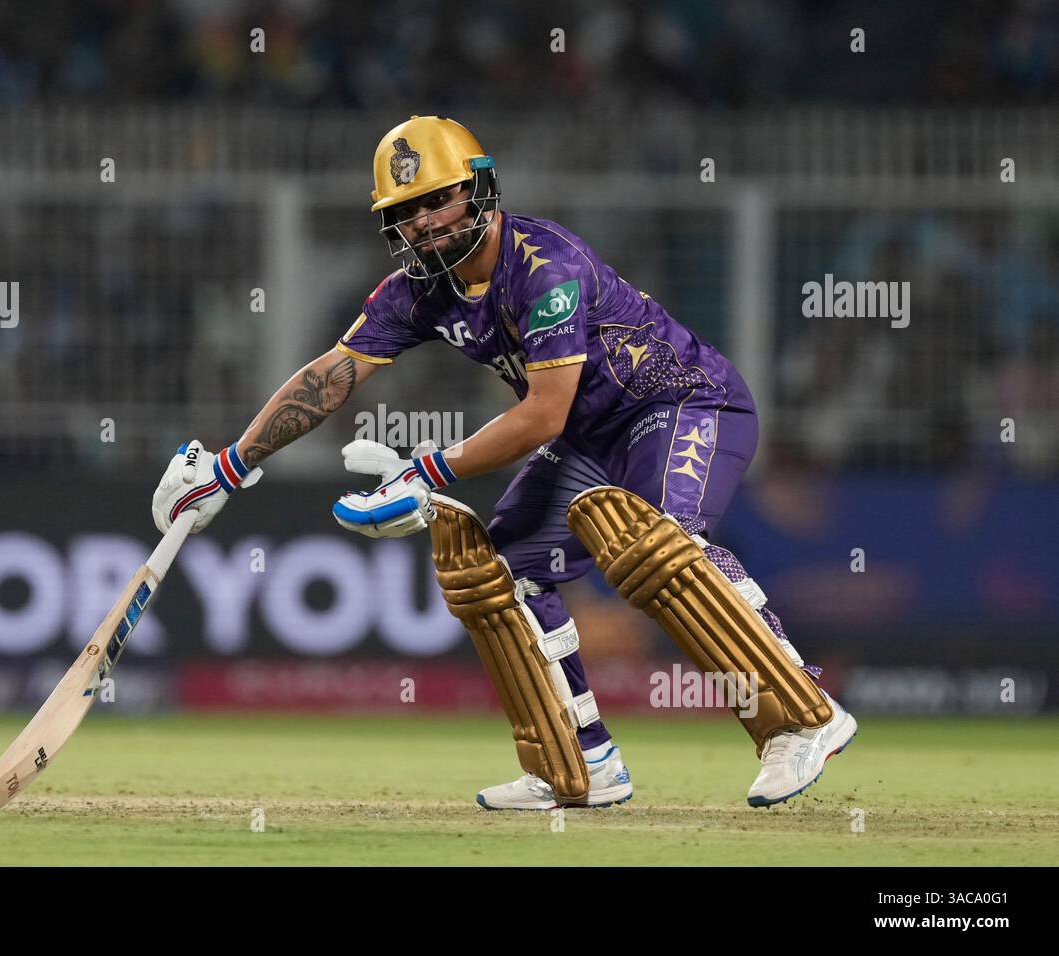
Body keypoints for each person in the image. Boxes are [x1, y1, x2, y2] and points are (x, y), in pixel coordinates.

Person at [152, 115, 857, 809]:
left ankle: (802, 713)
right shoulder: (418, 292)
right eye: (406, 210)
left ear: (479, 189)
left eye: (438, 199)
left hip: (678, 406)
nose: (425, 221)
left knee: (660, 548)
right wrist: (230, 466)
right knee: (505, 576)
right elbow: (333, 374)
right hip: (589, 438)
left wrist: (427, 472)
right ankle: (580, 759)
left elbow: (544, 412)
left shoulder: (545, 264)